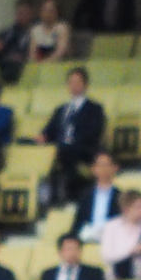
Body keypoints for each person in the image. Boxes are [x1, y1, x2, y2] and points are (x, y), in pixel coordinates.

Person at [32, 68, 107, 203]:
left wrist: (69, 142)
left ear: (85, 84)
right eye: (71, 82)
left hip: (82, 149)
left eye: (77, 82)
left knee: (65, 150)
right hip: (60, 148)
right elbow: (49, 130)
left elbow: (93, 133)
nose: (74, 85)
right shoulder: (61, 109)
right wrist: (42, 137)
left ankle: (67, 195)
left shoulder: (95, 109)